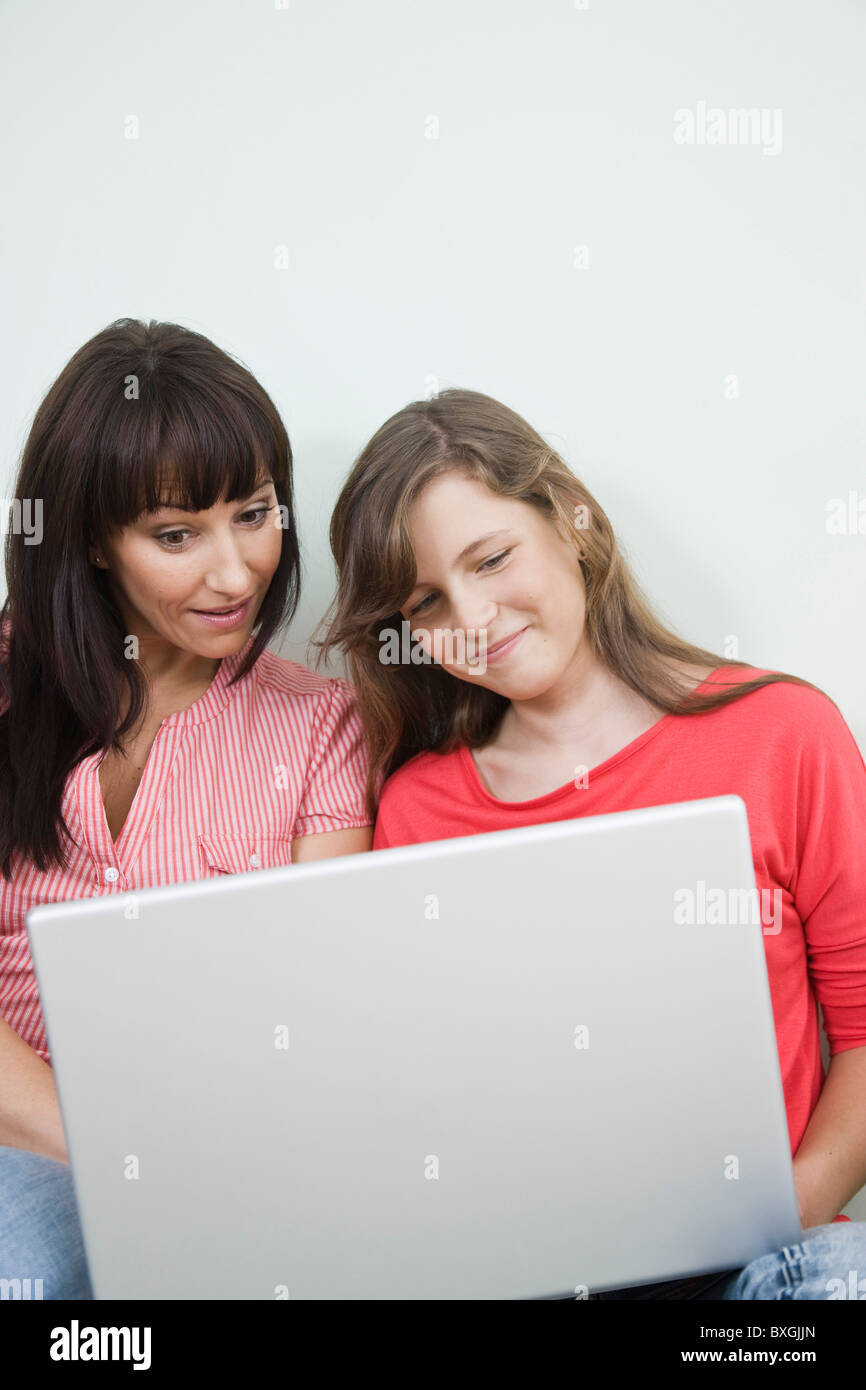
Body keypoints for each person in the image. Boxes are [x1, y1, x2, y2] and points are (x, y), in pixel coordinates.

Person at [317, 386, 866, 1300]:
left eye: (492, 559)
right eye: (427, 602)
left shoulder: (786, 735)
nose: (476, 619)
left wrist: (775, 1216)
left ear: (570, 519)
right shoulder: (417, 807)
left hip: (774, 1259)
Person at [0, 319, 373, 1299]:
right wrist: (114, 1156)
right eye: (177, 535)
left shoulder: (318, 724)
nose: (236, 570)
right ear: (89, 540)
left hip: (228, 1149)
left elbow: (322, 1004)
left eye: (253, 513)